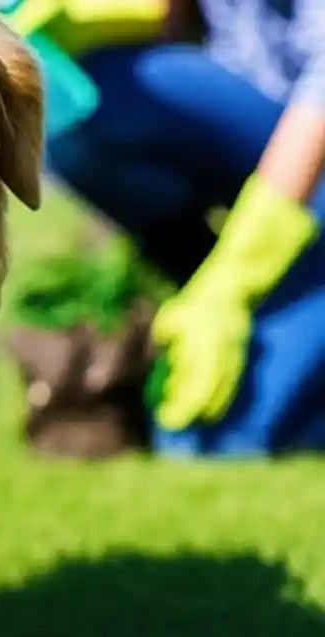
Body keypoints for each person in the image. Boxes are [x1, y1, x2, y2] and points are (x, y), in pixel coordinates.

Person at [21, 0, 325, 456]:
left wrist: (231, 285)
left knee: (225, 440)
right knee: (76, 88)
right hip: (264, 133)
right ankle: (185, 289)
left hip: (308, 148)